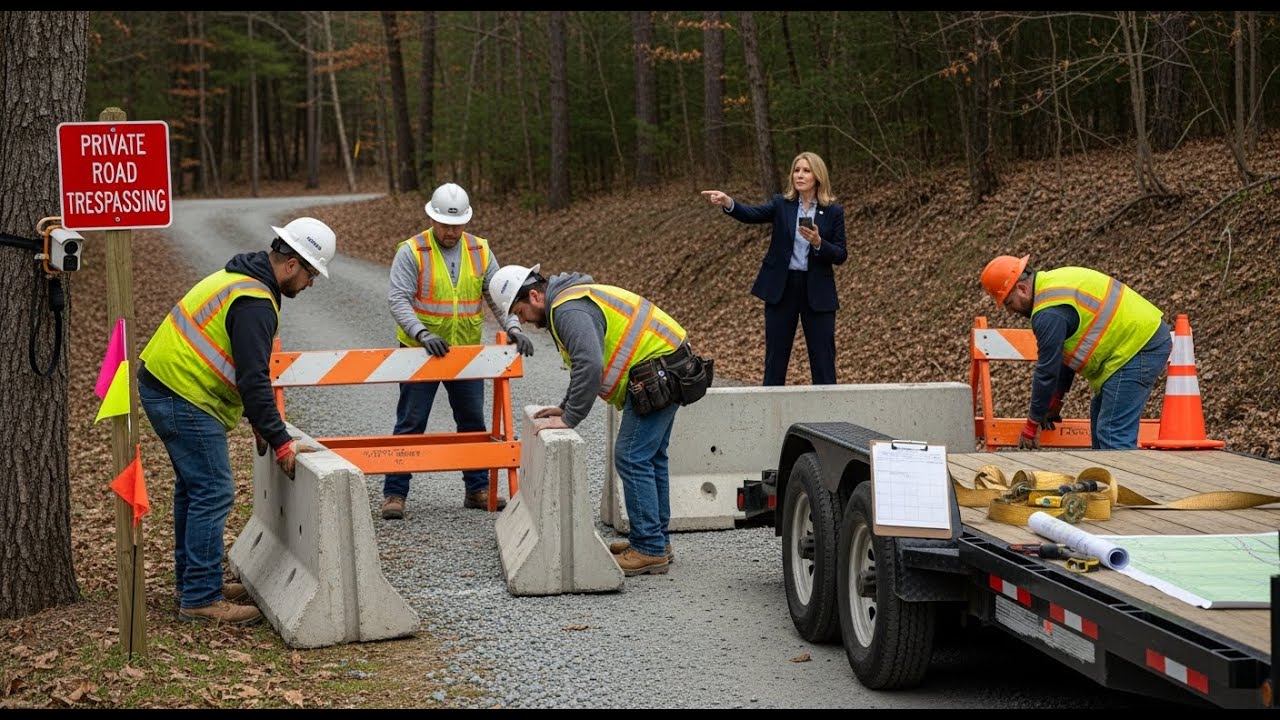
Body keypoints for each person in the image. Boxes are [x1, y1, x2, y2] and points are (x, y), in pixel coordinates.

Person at [138, 216, 336, 626]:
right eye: (312, 273)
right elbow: (253, 379)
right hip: (183, 392)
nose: (311, 284)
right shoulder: (254, 302)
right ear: (293, 264)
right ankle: (200, 599)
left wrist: (260, 423)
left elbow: (238, 370)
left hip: (167, 385)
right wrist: (280, 440)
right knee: (213, 490)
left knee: (193, 490)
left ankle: (195, 581)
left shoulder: (241, 279)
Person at [489, 263, 711, 577]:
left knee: (632, 456)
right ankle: (656, 541)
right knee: (651, 457)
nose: (522, 320)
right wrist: (564, 407)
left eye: (520, 311)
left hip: (659, 373)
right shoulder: (569, 302)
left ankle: (648, 548)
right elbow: (584, 364)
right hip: (669, 368)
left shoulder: (568, 310)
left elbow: (589, 365)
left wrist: (569, 418)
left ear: (535, 296)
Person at [382, 182, 535, 520]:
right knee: (411, 422)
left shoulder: (480, 251)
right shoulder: (412, 251)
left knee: (471, 421)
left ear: (465, 221)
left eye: (456, 224)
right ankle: (395, 493)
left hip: (466, 353)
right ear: (431, 218)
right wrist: (421, 333)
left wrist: (513, 328)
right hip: (420, 352)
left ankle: (478, 489)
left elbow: (500, 296)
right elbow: (398, 299)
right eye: (444, 224)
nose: (450, 231)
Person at [980, 254, 1172, 450]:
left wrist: (1032, 424)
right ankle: (1109, 479)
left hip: (1138, 347)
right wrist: (1056, 399)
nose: (1010, 311)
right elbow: (1064, 352)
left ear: (1021, 288)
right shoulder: (1052, 287)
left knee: (1112, 433)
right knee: (1101, 427)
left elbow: (1047, 371)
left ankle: (1122, 480)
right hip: (1132, 346)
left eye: (1009, 303)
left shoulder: (1047, 313)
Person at [701, 151, 848, 386]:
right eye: (796, 170)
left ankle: (827, 417)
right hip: (782, 288)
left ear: (818, 176)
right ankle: (770, 414)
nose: (799, 175)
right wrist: (728, 202)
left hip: (817, 292)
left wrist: (819, 243)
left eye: (806, 170)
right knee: (775, 359)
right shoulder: (782, 204)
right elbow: (751, 214)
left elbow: (841, 255)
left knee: (823, 360)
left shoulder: (833, 211)